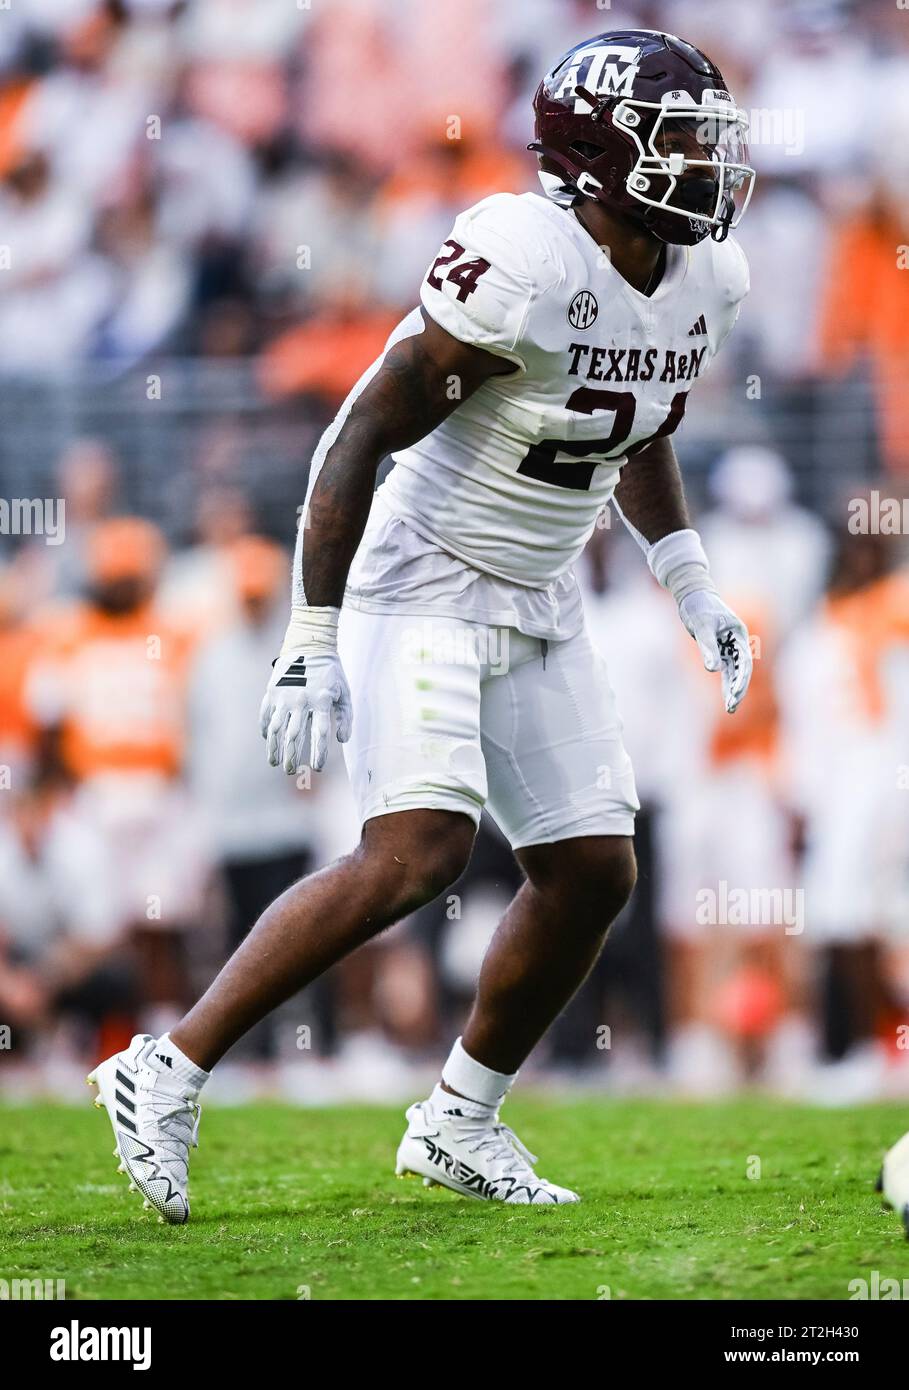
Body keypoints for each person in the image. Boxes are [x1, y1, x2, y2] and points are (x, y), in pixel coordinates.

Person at [89, 29, 755, 1221]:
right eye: (684, 141)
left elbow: (639, 422)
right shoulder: (524, 260)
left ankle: (457, 1120)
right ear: (603, 155)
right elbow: (359, 437)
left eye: (713, 139)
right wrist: (311, 633)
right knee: (419, 851)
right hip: (425, 571)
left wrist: (689, 574)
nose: (709, 163)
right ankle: (166, 1067)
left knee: (594, 869)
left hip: (542, 585)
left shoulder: (704, 274)